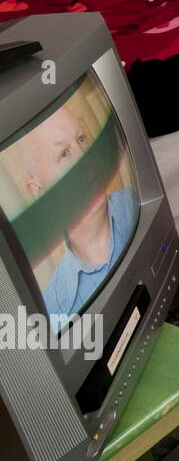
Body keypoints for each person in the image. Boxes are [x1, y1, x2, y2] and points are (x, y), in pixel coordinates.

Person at [14, 104, 136, 324]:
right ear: (40, 191)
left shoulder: (137, 203)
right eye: (64, 153)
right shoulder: (50, 312)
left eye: (81, 139)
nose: (86, 159)